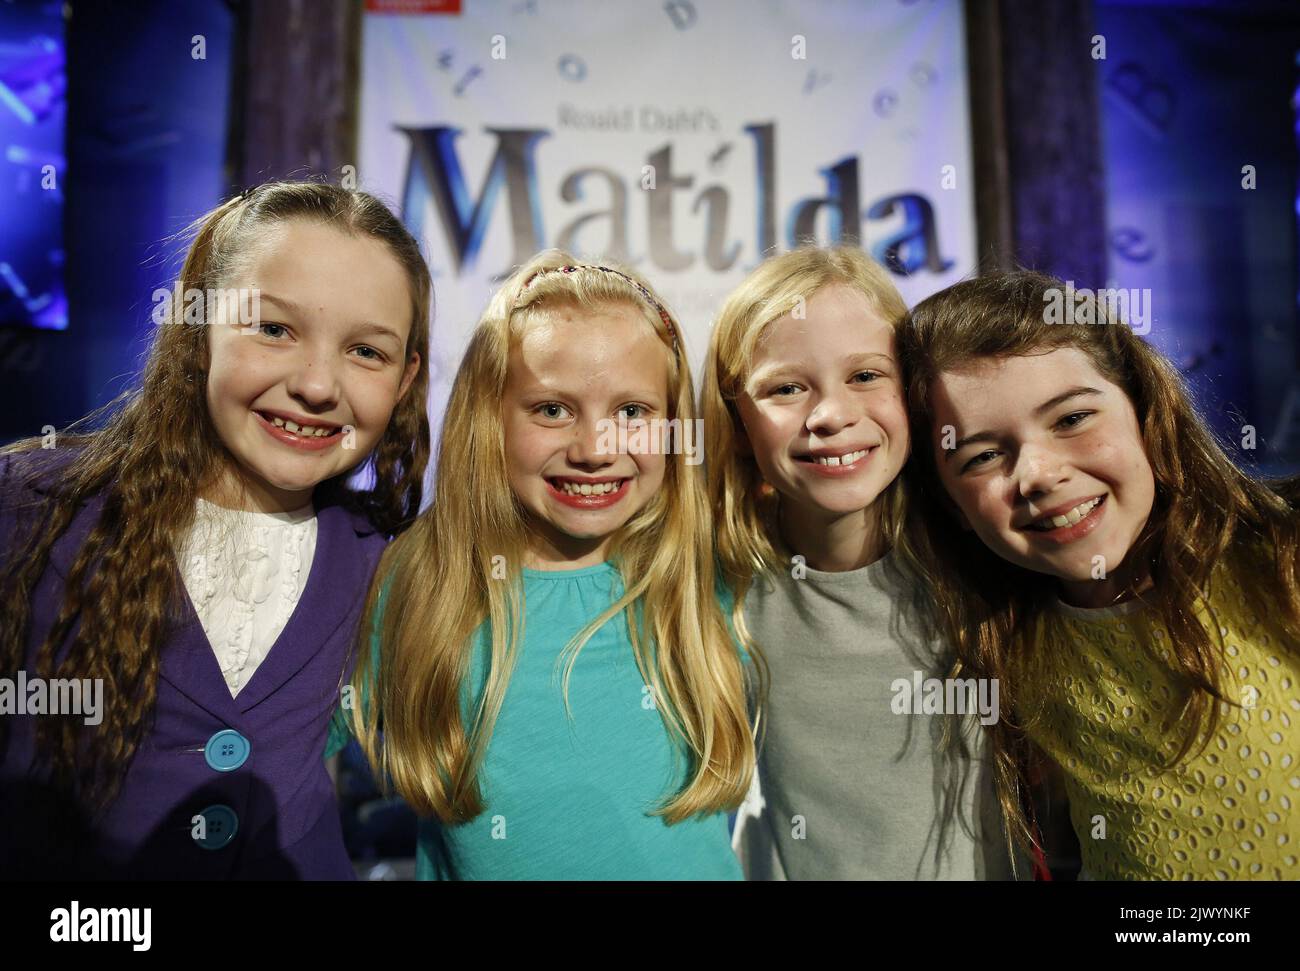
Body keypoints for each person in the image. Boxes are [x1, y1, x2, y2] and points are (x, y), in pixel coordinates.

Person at [0, 181, 430, 879]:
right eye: (273, 329)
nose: (318, 385)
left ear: (406, 379)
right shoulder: (30, 507)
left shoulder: (384, 560)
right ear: (198, 329)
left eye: (366, 352)